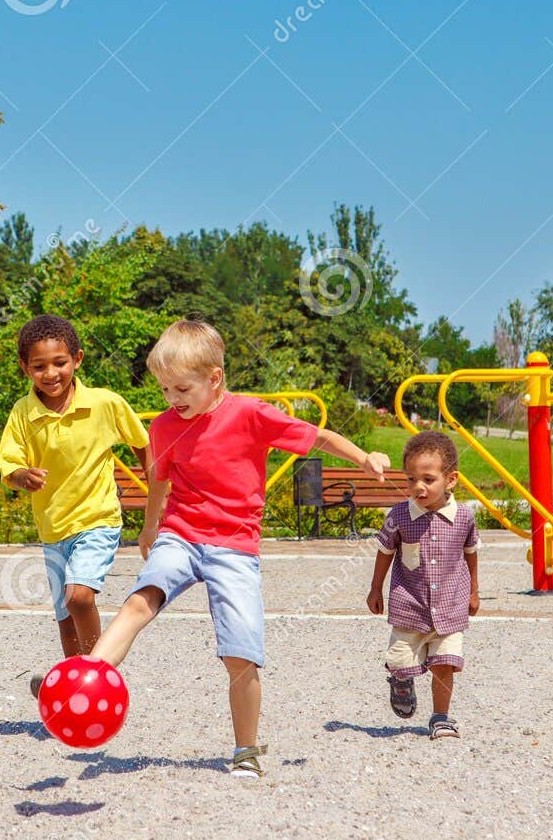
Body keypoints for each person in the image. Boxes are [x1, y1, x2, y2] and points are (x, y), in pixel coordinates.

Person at [87, 319, 391, 777]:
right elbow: (158, 479)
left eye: (181, 388)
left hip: (234, 546)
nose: (172, 399)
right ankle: (87, 679)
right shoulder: (167, 427)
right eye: (165, 389)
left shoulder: (251, 414)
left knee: (240, 653)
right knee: (138, 601)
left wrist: (366, 458)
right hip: (181, 534)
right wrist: (150, 528)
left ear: (214, 378)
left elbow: (318, 437)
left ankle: (245, 750)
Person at [0, 315, 149, 694]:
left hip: (98, 518)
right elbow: (9, 463)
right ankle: (73, 685)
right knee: (65, 617)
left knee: (79, 597)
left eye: (60, 362)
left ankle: (99, 674)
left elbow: (144, 444)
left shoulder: (104, 403)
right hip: (53, 528)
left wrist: (158, 494)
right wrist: (21, 476)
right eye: (39, 366)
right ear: (24, 367)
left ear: (77, 359)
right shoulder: (23, 413)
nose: (51, 373)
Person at [366, 429, 480, 739]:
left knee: (445, 664)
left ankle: (441, 717)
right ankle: (401, 680)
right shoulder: (400, 515)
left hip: (450, 607)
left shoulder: (465, 518)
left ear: (450, 479)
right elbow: (385, 551)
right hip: (409, 607)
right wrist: (376, 588)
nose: (418, 487)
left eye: (428, 480)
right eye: (411, 480)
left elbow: (470, 555)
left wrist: (473, 591)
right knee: (401, 662)